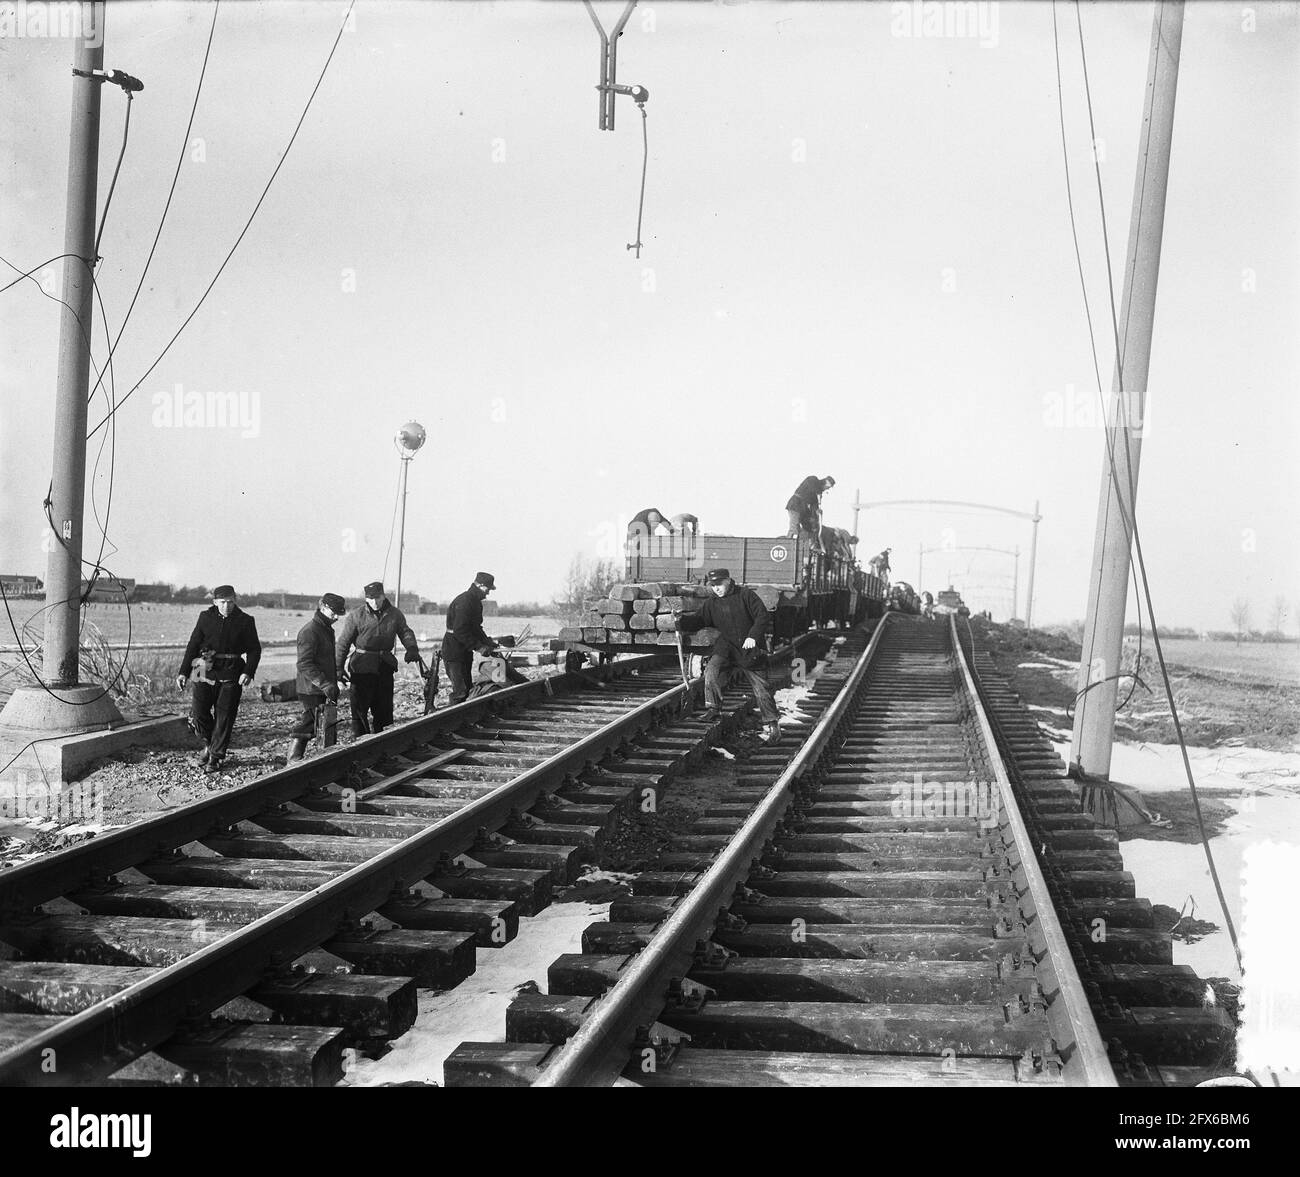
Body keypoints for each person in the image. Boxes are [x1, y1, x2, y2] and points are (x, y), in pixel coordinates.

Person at [676, 568, 782, 744]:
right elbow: (699, 620)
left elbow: (762, 616)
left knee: (762, 688)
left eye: (719, 584)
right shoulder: (712, 603)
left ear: (728, 581)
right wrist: (680, 621)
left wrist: (753, 636)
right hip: (727, 646)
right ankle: (713, 708)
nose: (716, 588)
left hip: (750, 647)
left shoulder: (746, 595)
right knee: (712, 671)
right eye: (713, 585)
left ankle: (773, 725)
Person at [176, 584, 262, 773]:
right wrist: (183, 672)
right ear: (215, 602)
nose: (227, 606)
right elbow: (193, 645)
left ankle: (215, 756)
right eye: (222, 602)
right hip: (203, 669)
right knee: (199, 713)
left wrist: (248, 672)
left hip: (232, 673)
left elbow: (255, 649)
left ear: (235, 600)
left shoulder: (245, 621)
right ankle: (209, 743)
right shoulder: (205, 617)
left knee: (224, 716)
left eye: (230, 602)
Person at [335, 580, 421, 737]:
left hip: (384, 666)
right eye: (370, 598)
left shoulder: (395, 614)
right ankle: (360, 743)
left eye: (377, 597)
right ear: (366, 599)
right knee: (360, 710)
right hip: (361, 668)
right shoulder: (356, 616)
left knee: (384, 710)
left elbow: (405, 632)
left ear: (383, 596)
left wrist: (412, 648)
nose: (374, 602)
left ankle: (384, 743)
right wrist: (338, 668)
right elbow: (343, 643)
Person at [288, 593, 346, 762]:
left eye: (338, 614)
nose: (336, 617)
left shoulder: (325, 629)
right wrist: (325, 684)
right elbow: (304, 664)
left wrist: (336, 677)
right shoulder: (310, 631)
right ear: (323, 607)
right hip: (310, 687)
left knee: (320, 722)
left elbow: (326, 659)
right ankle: (293, 758)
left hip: (321, 686)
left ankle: (321, 756)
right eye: (333, 613)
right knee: (309, 721)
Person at [441, 572, 499, 705]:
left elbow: (476, 628)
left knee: (466, 689)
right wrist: (479, 647)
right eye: (488, 589)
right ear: (480, 586)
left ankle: (462, 721)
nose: (488, 593)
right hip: (454, 651)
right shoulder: (465, 601)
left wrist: (487, 642)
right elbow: (460, 631)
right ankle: (451, 720)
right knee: (460, 691)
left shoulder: (475, 602)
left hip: (464, 651)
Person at [785, 475, 835, 549]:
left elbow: (814, 506)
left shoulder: (817, 494)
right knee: (795, 527)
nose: (827, 489)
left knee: (809, 528)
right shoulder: (813, 479)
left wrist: (817, 513)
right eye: (828, 487)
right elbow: (813, 488)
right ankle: (787, 546)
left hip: (804, 509)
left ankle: (807, 547)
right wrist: (819, 493)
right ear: (826, 482)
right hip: (795, 505)